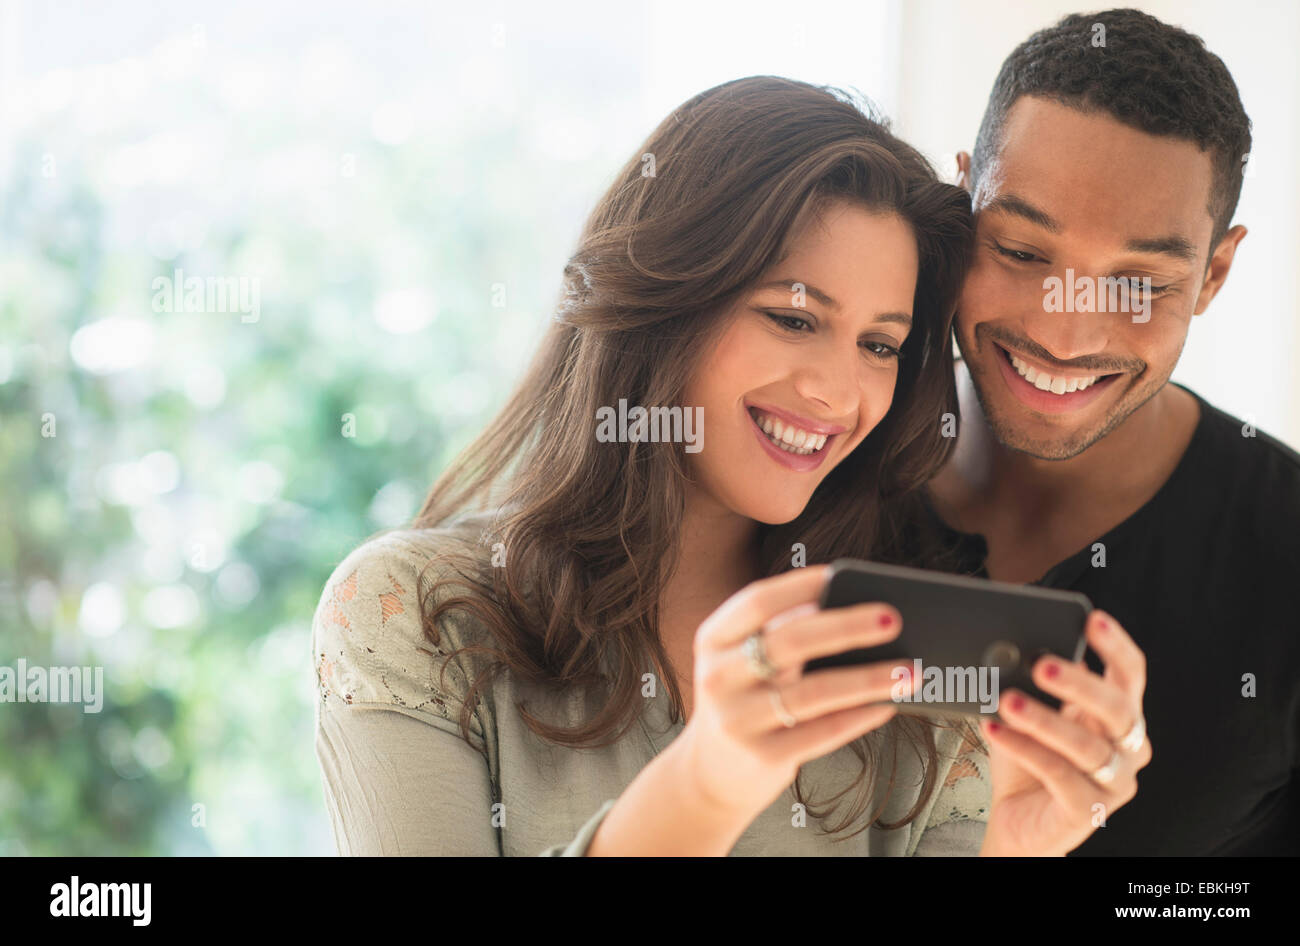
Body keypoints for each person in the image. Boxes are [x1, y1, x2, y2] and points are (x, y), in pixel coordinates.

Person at [311, 75, 1149, 856]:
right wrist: (705, 783)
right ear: (667, 302)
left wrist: (1009, 848)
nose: (835, 393)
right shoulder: (417, 616)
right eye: (793, 318)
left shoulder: (904, 666)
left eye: (879, 345)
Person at [927, 9, 1300, 854]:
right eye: (1022, 251)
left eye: (1140, 284)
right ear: (960, 206)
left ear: (1215, 274)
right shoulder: (809, 464)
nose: (1065, 336)